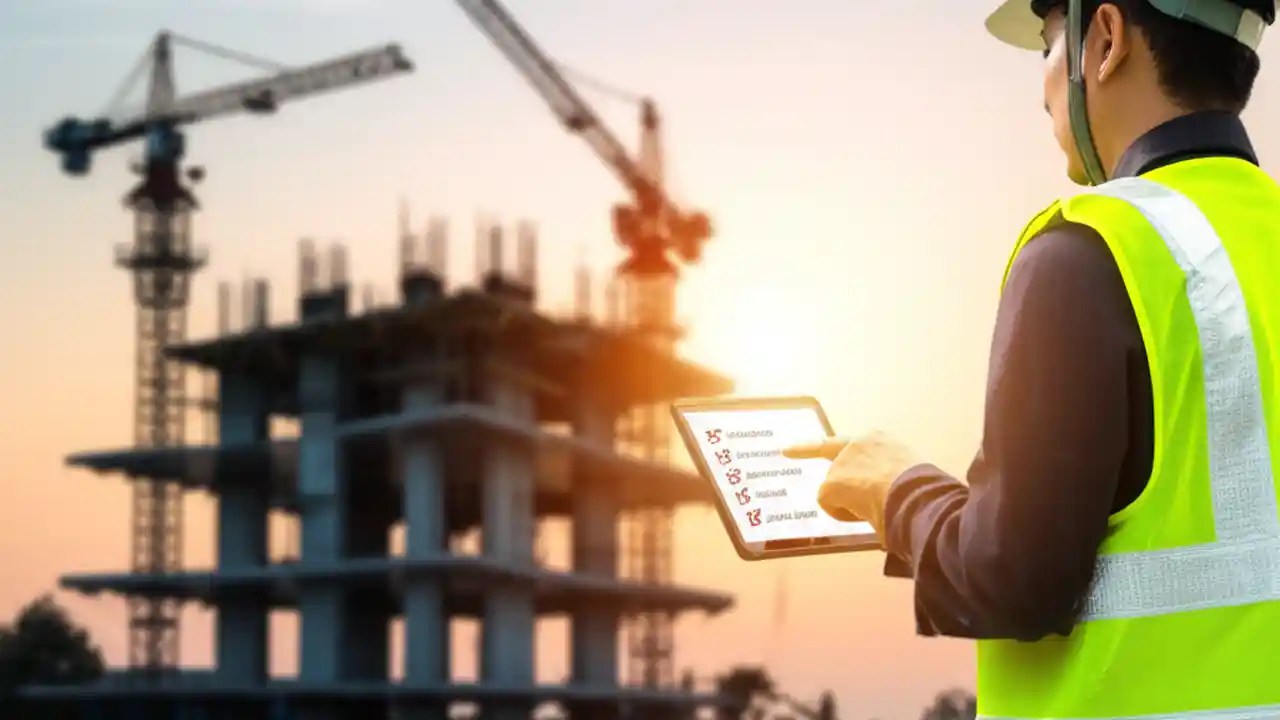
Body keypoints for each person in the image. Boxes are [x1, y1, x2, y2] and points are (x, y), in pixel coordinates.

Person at [785, 0, 1280, 717]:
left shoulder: (1090, 251)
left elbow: (1011, 579)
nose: (1042, 85)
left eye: (1049, 46)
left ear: (1105, 40)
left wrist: (896, 491)